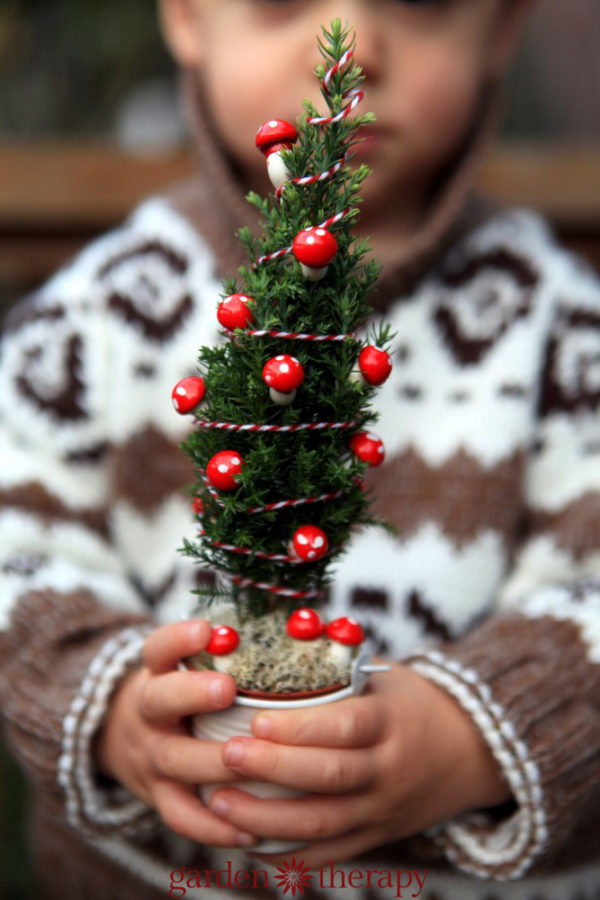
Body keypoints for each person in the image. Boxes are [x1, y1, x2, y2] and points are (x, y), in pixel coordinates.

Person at [1, 1, 599, 898]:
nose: (353, 50)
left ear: (502, 30)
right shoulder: (99, 317)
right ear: (188, 19)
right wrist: (109, 708)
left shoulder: (562, 330)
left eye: (426, 3)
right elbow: (16, 542)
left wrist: (479, 737)